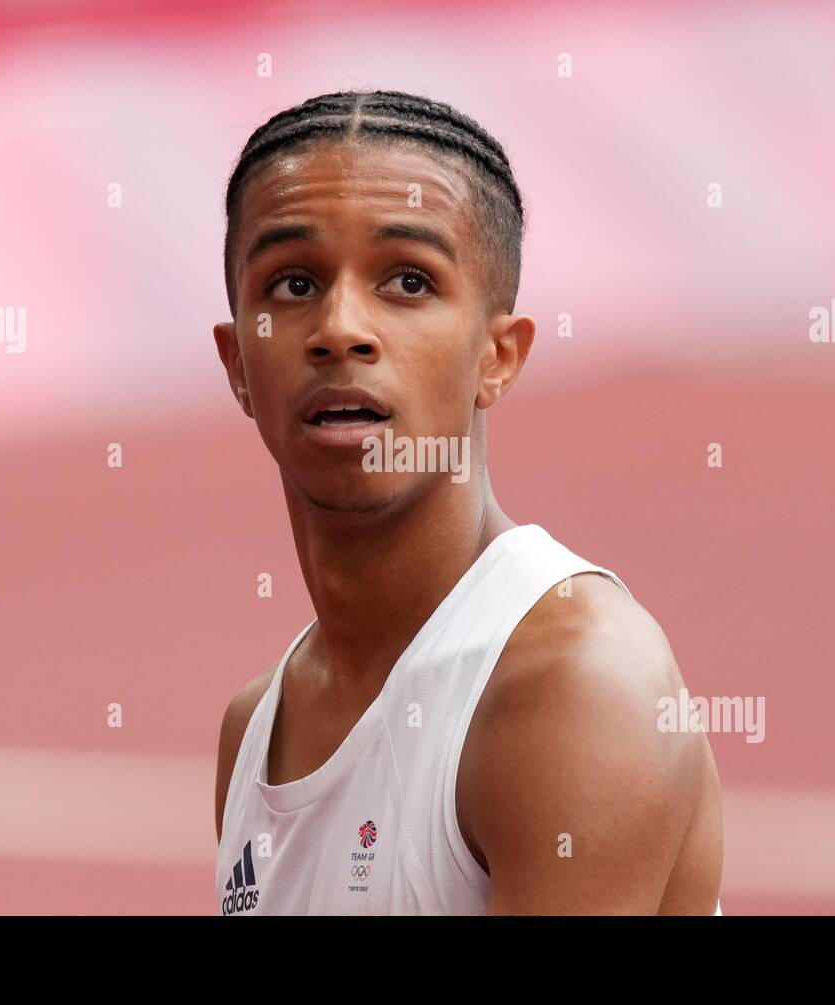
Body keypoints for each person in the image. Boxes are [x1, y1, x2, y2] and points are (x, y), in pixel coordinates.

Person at [211, 89, 722, 915]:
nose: (340, 327)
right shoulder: (255, 733)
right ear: (237, 362)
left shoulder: (575, 685)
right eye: (294, 281)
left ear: (498, 355)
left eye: (408, 281)